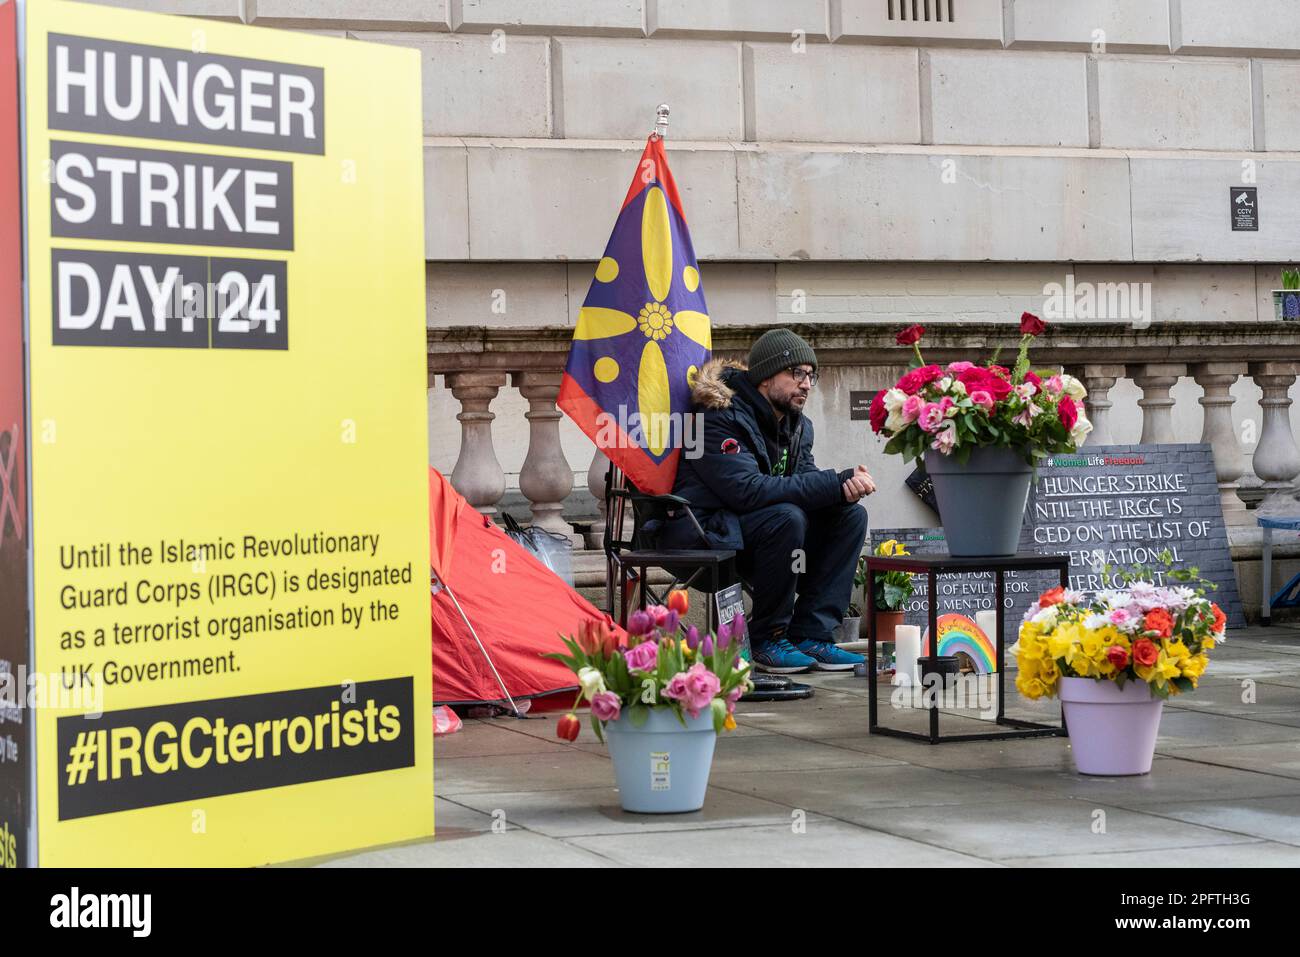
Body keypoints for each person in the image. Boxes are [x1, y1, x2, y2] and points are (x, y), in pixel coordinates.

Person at [658, 329, 874, 674]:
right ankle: (768, 638)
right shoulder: (716, 416)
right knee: (787, 517)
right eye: (796, 373)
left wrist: (842, 489)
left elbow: (804, 482)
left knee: (850, 516)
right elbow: (746, 490)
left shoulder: (799, 426)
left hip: (765, 539)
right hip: (707, 532)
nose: (806, 383)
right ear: (765, 377)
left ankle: (812, 635)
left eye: (810, 375)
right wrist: (833, 482)